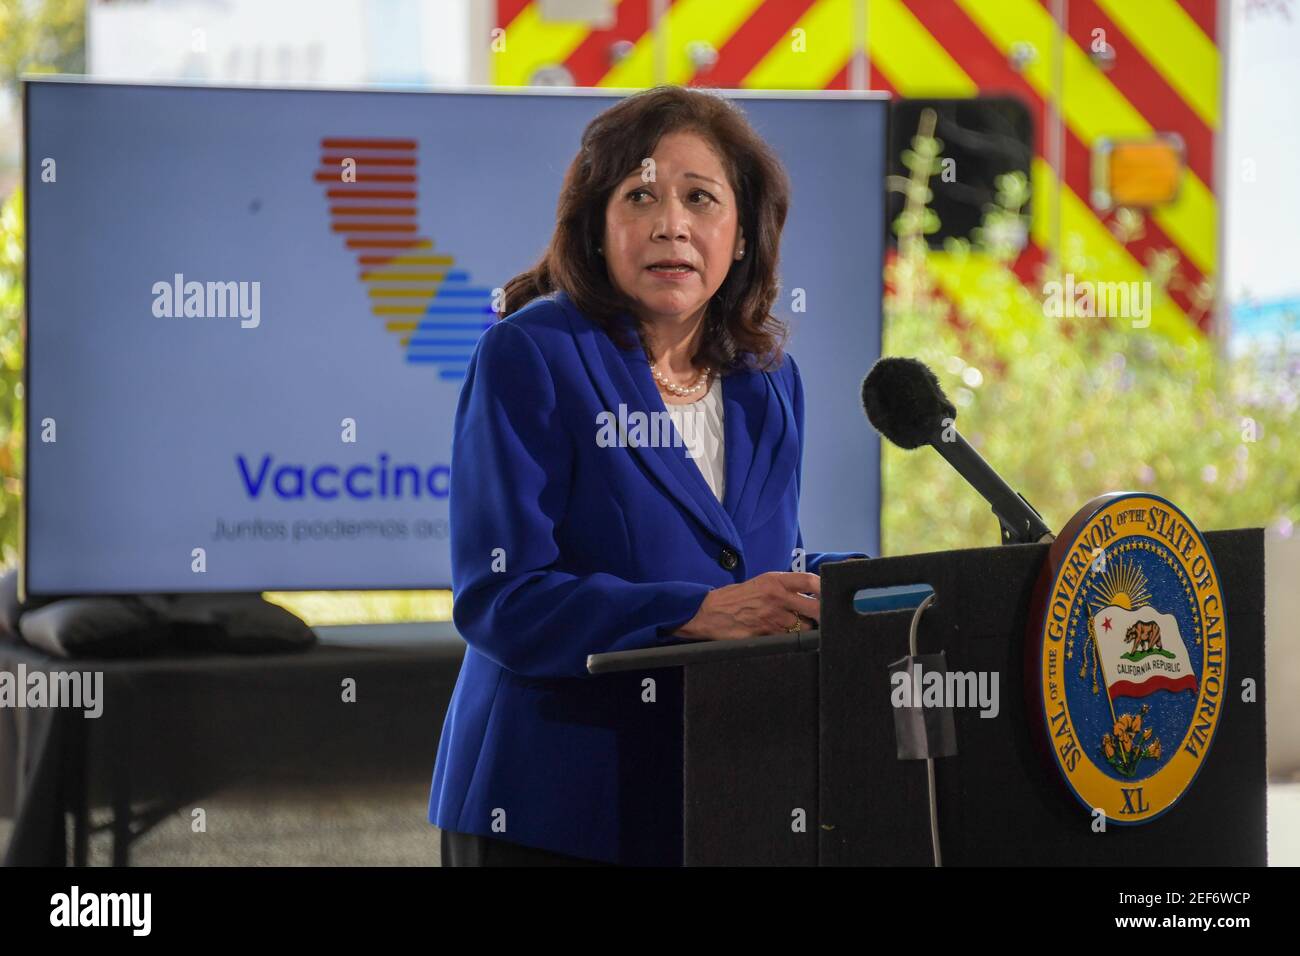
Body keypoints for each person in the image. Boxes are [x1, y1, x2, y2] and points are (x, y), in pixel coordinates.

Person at [430, 85, 868, 867]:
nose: (673, 223)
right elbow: (500, 598)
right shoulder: (532, 355)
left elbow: (760, 567)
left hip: (719, 794)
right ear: (599, 228)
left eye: (701, 198)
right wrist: (693, 612)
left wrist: (859, 588)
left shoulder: (769, 380)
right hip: (549, 805)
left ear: (740, 236)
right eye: (640, 195)